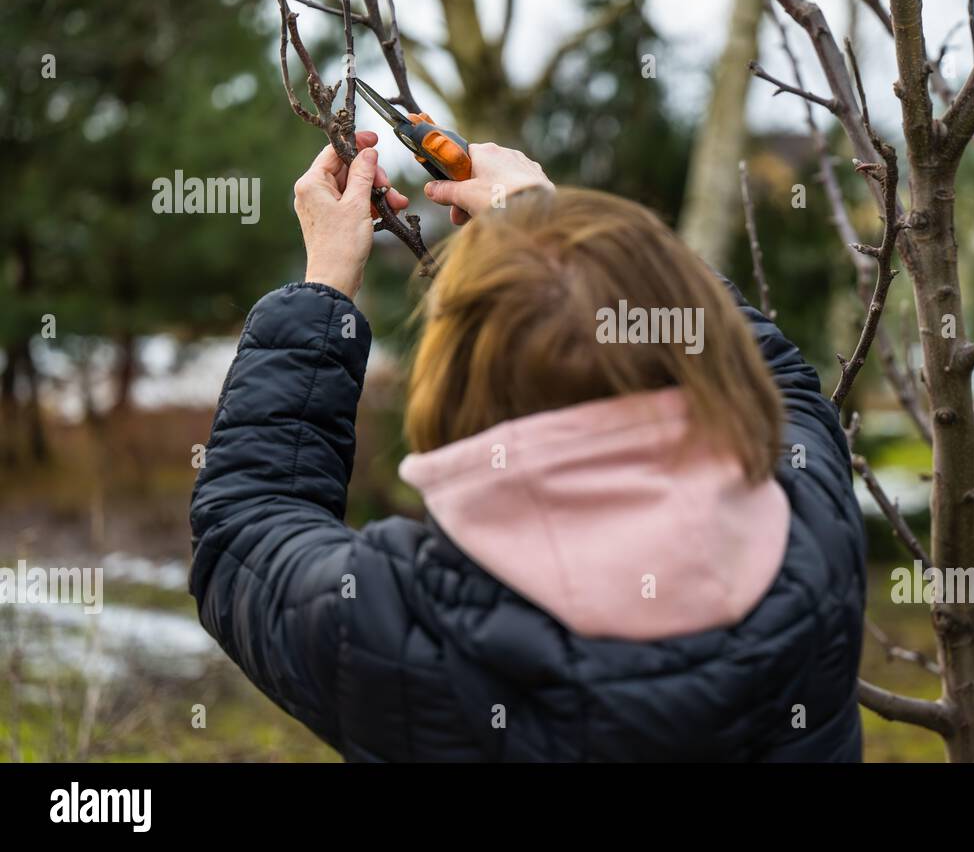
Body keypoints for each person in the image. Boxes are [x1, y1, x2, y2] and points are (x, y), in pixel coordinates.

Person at [189, 132, 866, 761]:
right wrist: (565, 232)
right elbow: (779, 381)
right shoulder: (810, 529)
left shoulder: (400, 626)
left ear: (455, 380)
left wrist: (324, 284)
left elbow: (247, 522)